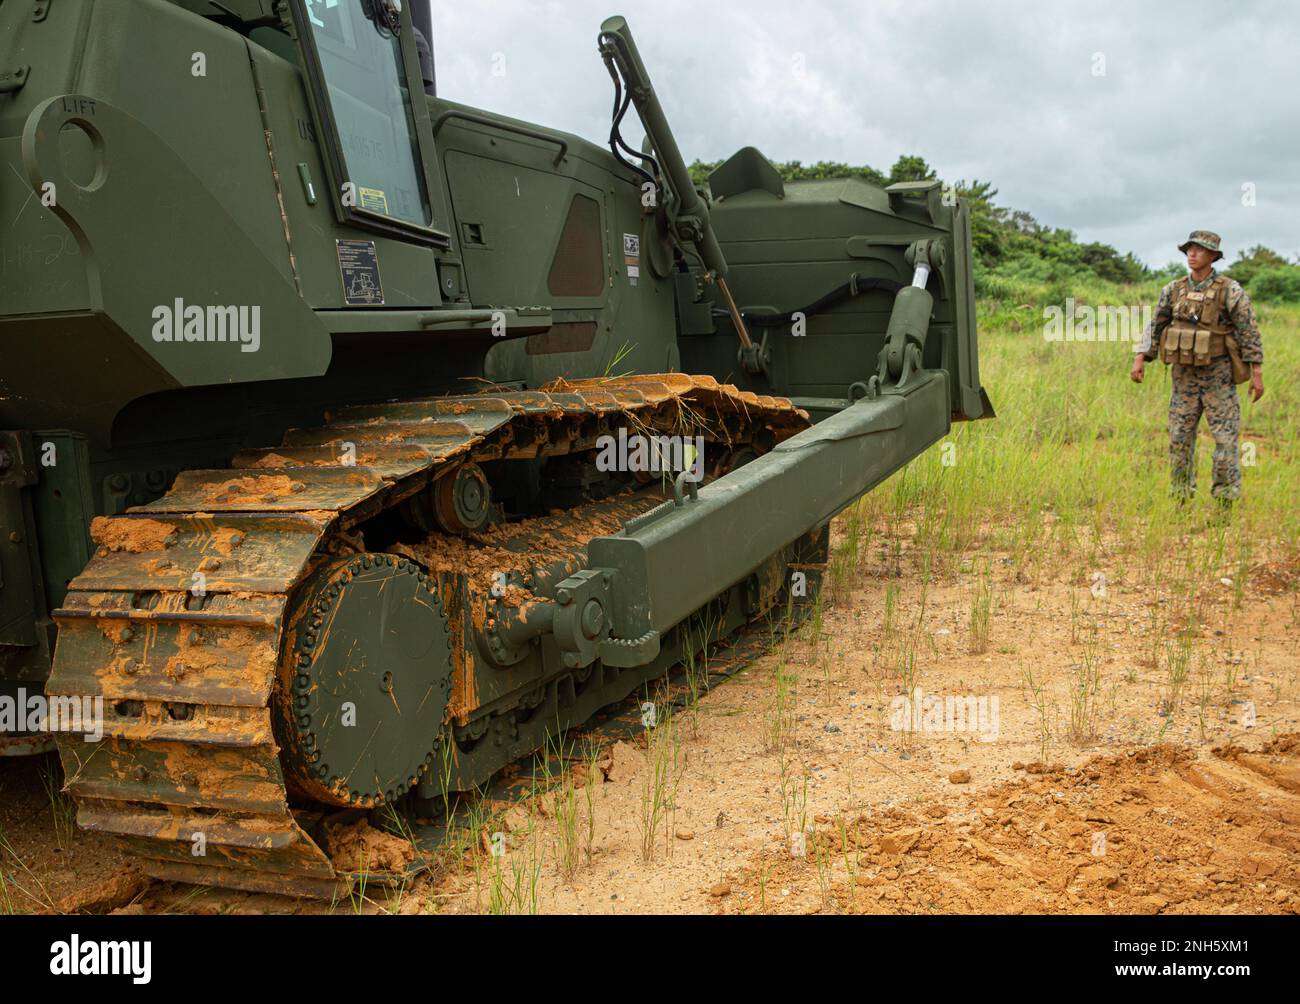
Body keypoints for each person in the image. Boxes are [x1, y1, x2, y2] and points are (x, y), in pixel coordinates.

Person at [1131, 230, 1264, 507]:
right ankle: (1180, 500)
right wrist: (1141, 357)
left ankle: (1224, 504)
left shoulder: (1230, 290)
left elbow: (1248, 329)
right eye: (1189, 249)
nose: (1192, 254)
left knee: (1225, 441)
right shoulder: (1174, 289)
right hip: (1184, 378)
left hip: (1219, 376)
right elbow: (1156, 324)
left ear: (1213, 256)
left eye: (1199, 250)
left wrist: (1256, 372)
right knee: (1179, 439)